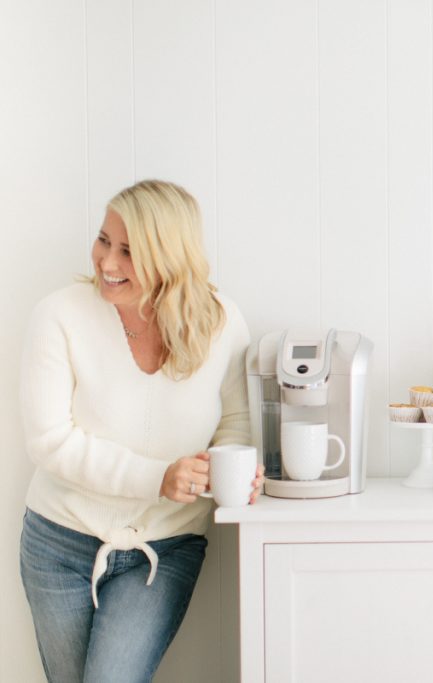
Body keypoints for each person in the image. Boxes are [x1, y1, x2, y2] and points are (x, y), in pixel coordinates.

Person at [18, 179, 264, 682]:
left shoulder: (220, 322)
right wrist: (157, 477)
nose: (107, 263)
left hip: (166, 545)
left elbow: (235, 425)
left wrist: (231, 476)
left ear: (169, 256)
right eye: (104, 240)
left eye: (129, 251)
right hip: (58, 543)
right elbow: (49, 440)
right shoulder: (59, 316)